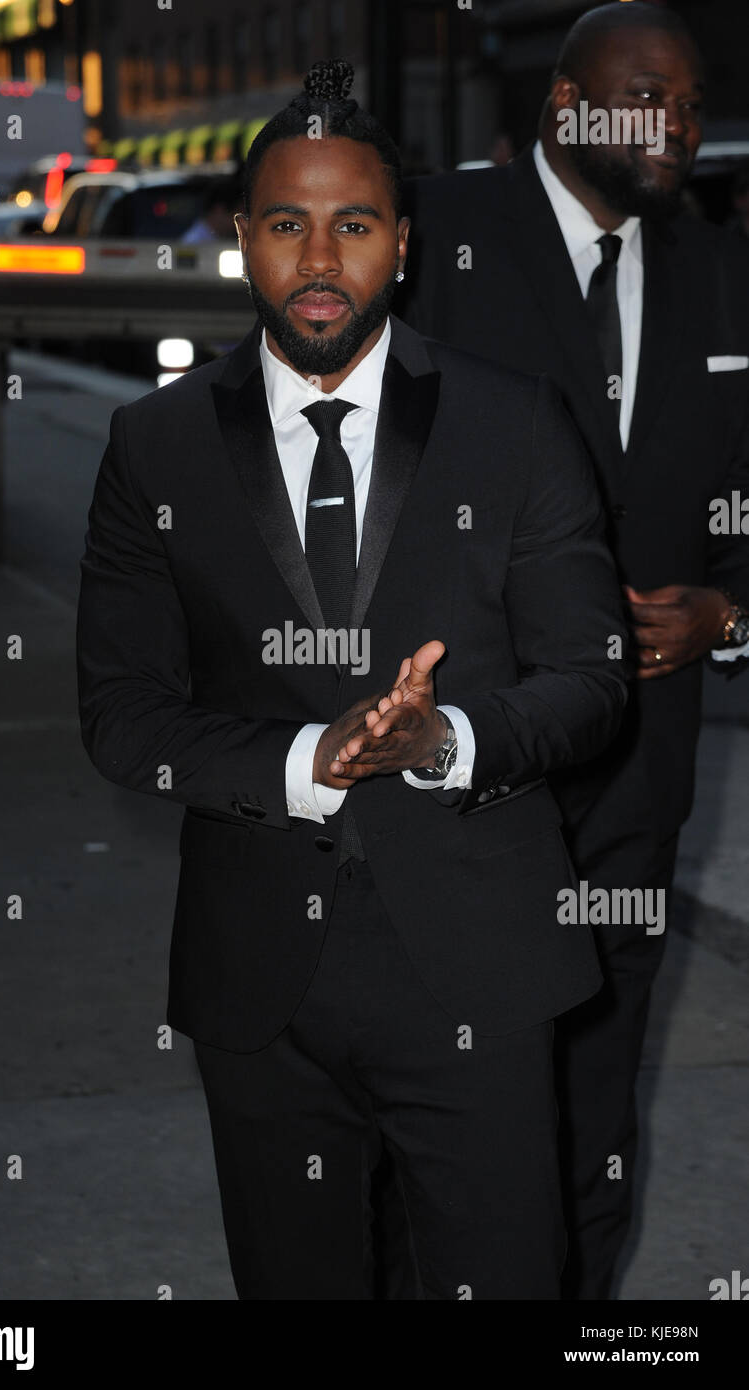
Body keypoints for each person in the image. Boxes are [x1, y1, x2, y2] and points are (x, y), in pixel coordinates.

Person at [77, 59, 628, 1300]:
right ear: (239, 239)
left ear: (402, 243)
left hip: (479, 963)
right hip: (260, 985)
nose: (318, 257)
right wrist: (299, 762)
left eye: (353, 223)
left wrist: (443, 744)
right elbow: (121, 715)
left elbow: (591, 679)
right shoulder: (152, 444)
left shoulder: (517, 421)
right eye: (285, 223)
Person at [400, 1, 749, 1300]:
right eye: (644, 95)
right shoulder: (435, 236)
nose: (676, 123)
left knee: (598, 1079)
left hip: (637, 782)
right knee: (457, 1080)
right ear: (563, 107)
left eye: (692, 102)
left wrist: (726, 612)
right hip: (467, 766)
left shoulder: (719, 271)